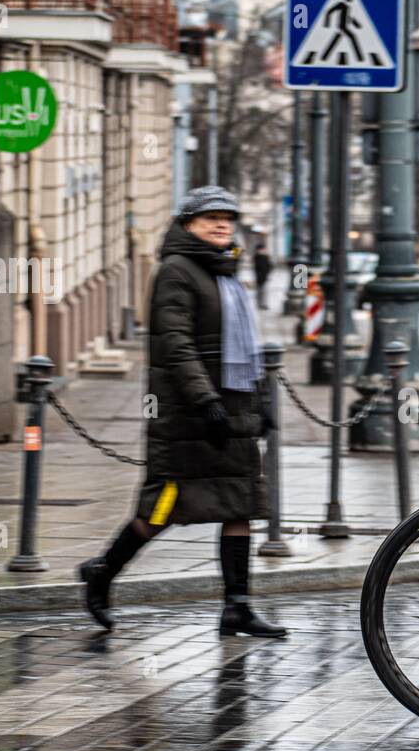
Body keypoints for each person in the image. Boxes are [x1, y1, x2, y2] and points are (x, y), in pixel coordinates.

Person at [77, 186, 286, 638]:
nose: (221, 223)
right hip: (188, 418)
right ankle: (103, 574)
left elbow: (244, 350)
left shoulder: (226, 272)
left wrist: (260, 402)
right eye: (210, 216)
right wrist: (205, 400)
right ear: (187, 223)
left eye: (227, 217)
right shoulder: (177, 271)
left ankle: (238, 607)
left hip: (232, 413)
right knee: (161, 509)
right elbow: (176, 345)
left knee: (239, 506)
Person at [253, 242, 272, 311]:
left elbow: (269, 266)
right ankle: (259, 304)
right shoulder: (257, 257)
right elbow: (257, 268)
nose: (262, 251)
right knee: (259, 292)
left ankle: (264, 304)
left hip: (264, 277)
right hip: (259, 277)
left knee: (265, 292)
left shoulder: (265, 257)